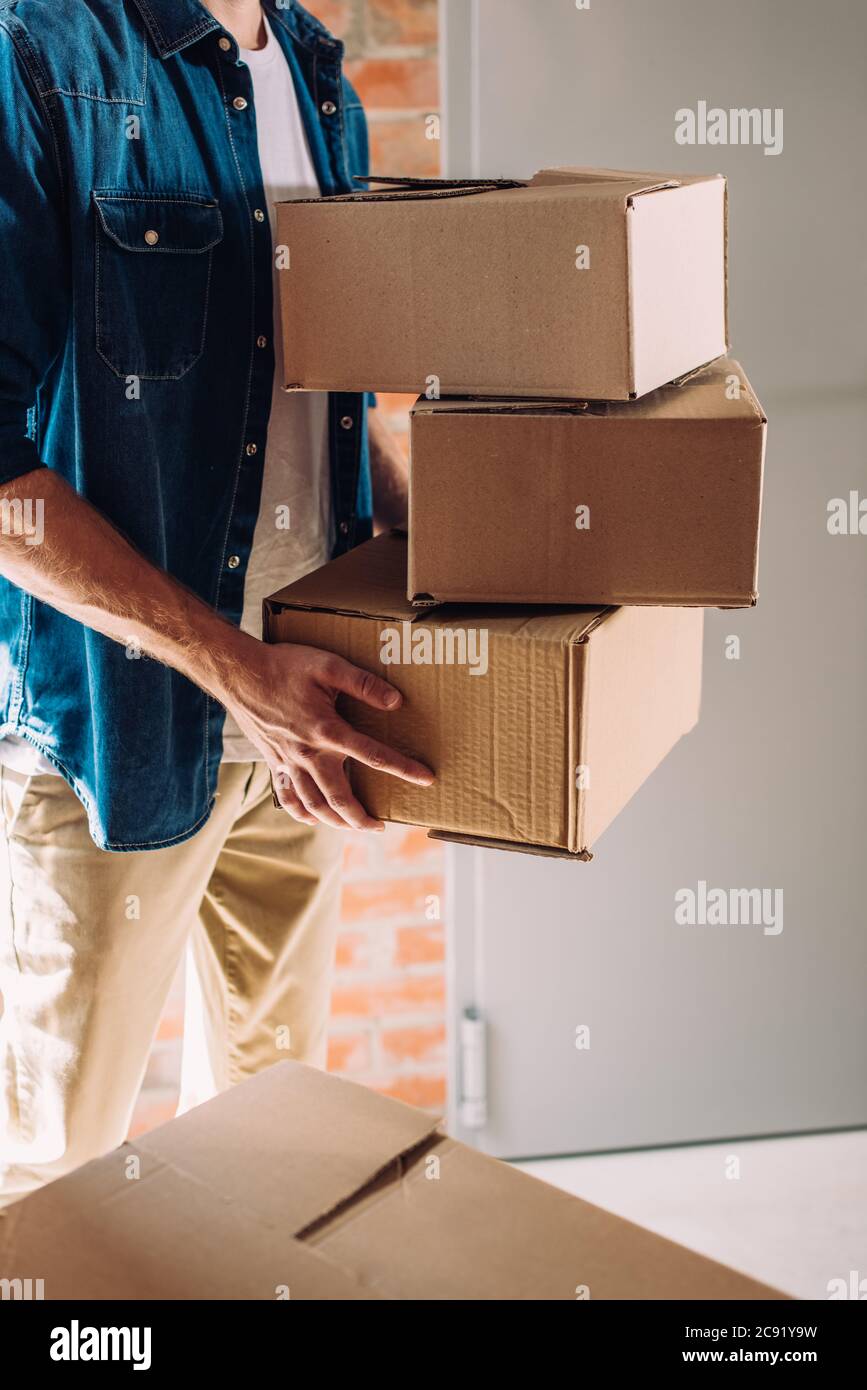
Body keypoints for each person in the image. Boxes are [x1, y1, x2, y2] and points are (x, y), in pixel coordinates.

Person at [0, 0, 433, 1207]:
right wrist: (237, 672)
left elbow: (308, 398)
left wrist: (417, 524)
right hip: (118, 723)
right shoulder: (46, 54)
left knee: (267, 1136)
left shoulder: (314, 68)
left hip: (305, 710)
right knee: (56, 1169)